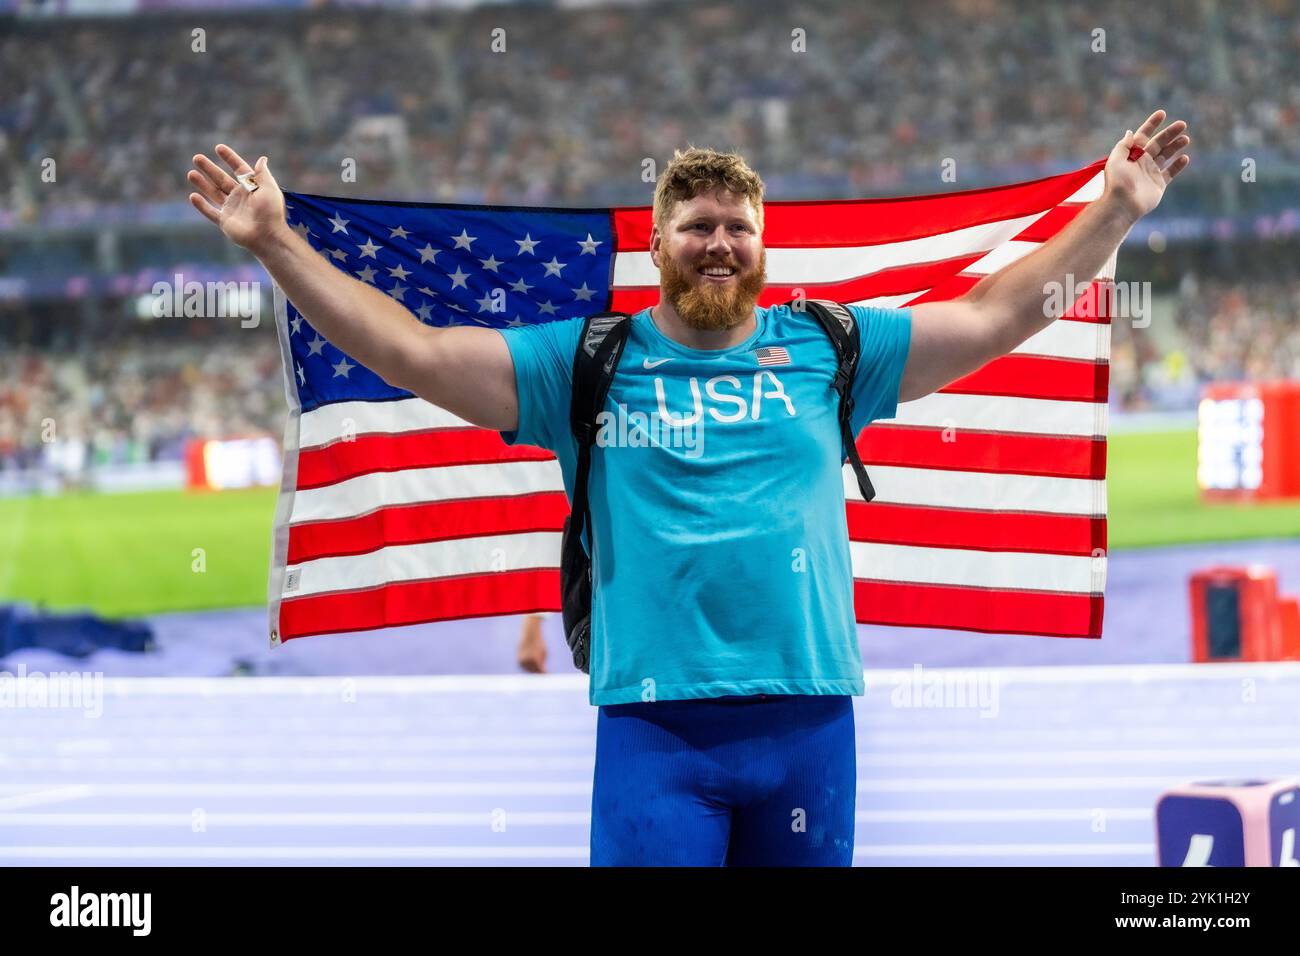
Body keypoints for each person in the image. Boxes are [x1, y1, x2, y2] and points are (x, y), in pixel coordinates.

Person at [187, 111, 1190, 865]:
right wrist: (277, 243)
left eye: (738, 227)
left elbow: (991, 316)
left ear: (762, 246)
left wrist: (1112, 210)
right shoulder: (579, 364)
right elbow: (407, 349)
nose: (719, 242)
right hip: (654, 729)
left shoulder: (829, 347)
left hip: (808, 722)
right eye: (698, 226)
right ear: (660, 245)